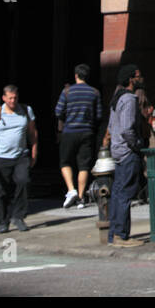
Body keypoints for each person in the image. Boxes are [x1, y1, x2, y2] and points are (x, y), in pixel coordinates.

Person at [0, 85, 38, 234]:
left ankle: (18, 216)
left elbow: (33, 133)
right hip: (1, 157)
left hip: (21, 155)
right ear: (4, 98)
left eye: (15, 98)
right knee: (2, 191)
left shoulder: (26, 110)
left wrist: (34, 153)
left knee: (23, 182)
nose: (13, 101)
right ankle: (2, 221)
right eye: (10, 98)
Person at [106, 65, 145, 247]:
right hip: (128, 151)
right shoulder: (129, 99)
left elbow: (112, 126)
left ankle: (114, 233)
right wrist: (137, 146)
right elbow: (127, 128)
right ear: (131, 79)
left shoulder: (117, 98)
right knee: (125, 193)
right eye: (138, 75)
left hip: (118, 151)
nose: (141, 77)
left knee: (118, 192)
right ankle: (121, 235)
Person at [54, 64, 101, 209]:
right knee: (84, 165)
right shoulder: (94, 92)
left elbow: (58, 111)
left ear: (76, 75)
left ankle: (71, 189)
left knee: (65, 162)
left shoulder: (67, 92)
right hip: (87, 132)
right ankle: (81, 198)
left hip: (69, 131)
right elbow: (99, 115)